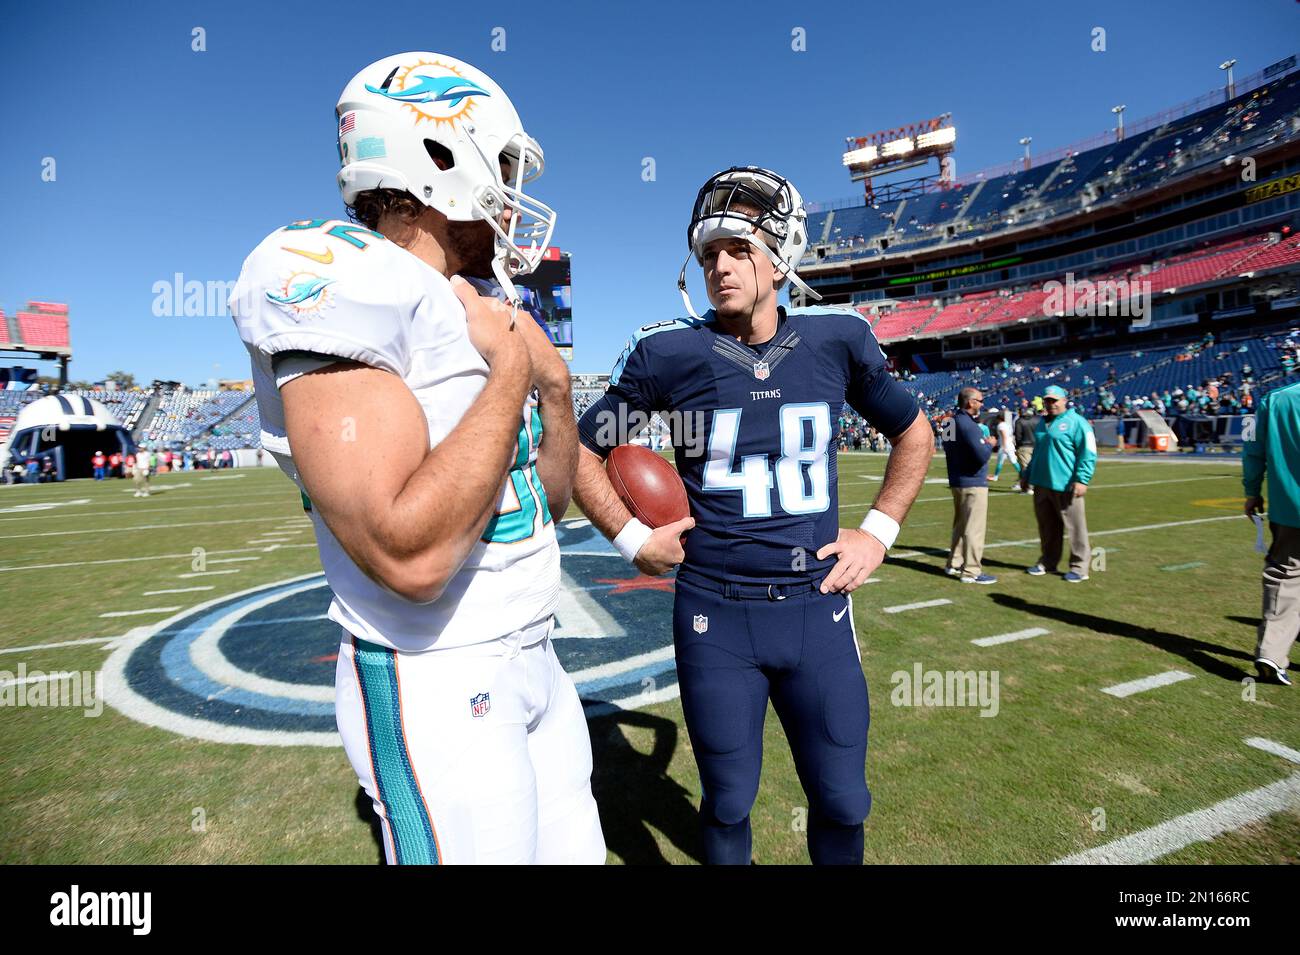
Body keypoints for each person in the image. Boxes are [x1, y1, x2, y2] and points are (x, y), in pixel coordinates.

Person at [228, 52, 602, 865]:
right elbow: (413, 553)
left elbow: (550, 502)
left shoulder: (475, 306)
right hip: (436, 673)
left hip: (535, 656)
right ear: (440, 159)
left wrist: (558, 390)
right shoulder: (335, 278)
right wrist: (510, 370)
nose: (510, 200)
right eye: (500, 169)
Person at [572, 166, 932, 864]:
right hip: (716, 612)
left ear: (780, 255)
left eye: (737, 248)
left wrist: (878, 532)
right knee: (729, 799)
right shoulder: (667, 353)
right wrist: (630, 536)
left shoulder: (838, 340)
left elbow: (913, 432)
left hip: (816, 606)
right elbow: (581, 449)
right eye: (709, 254)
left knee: (842, 798)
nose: (720, 265)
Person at [1243, 377, 1300, 686]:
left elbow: (1252, 451)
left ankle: (1272, 651)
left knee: (1284, 575)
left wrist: (1252, 491)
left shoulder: (1274, 399)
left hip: (1288, 508)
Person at [1021, 385, 1096, 582]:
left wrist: (1082, 479)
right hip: (1041, 483)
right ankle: (1048, 562)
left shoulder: (1077, 422)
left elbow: (1088, 452)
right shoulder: (1042, 423)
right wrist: (1026, 475)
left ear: (1064, 400)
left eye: (1054, 400)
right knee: (1047, 528)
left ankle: (1080, 567)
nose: (1050, 404)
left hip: (1066, 484)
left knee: (1076, 528)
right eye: (1047, 400)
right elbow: (1037, 453)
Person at [942, 389, 997, 584]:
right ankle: (971, 571)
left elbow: (946, 447)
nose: (982, 404)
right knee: (973, 528)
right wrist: (990, 444)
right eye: (980, 401)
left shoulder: (949, 422)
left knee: (960, 525)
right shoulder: (970, 425)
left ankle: (953, 564)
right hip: (973, 481)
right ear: (971, 402)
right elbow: (982, 454)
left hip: (956, 480)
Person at [990, 407, 1021, 485]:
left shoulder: (1001, 425)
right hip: (1010, 445)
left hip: (1005, 445)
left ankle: (996, 476)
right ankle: (1022, 475)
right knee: (1011, 461)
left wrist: (1003, 446)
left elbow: (1004, 436)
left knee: (1003, 461)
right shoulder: (1007, 425)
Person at [1014, 405, 1038, 483]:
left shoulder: (1019, 421)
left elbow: (1018, 436)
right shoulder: (1038, 420)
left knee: (1025, 467)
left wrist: (1017, 447)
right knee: (1035, 467)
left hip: (1024, 446)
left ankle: (1028, 486)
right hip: (1036, 446)